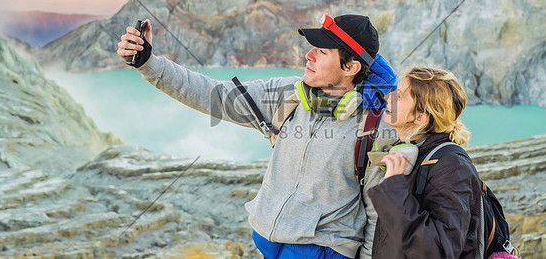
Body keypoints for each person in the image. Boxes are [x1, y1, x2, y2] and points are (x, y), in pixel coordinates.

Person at [116, 14, 398, 259]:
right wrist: (148, 64)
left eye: (322, 52)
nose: (308, 56)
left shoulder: (377, 127)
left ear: (350, 67)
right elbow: (215, 95)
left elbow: (379, 214)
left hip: (322, 251)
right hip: (268, 243)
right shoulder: (288, 95)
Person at [364, 66, 483, 258]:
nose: (387, 97)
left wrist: (394, 187)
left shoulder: (453, 168)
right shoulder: (412, 153)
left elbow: (437, 252)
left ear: (420, 117)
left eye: (399, 96)